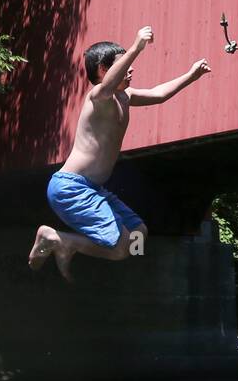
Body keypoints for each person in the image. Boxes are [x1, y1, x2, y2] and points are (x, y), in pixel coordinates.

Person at [28, 26, 210, 280]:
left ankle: (66, 242)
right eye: (123, 64)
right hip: (70, 188)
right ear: (104, 70)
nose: (131, 69)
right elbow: (108, 85)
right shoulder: (98, 97)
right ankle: (61, 240)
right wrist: (135, 48)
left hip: (93, 189)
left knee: (138, 233)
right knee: (119, 247)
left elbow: (159, 94)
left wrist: (190, 76)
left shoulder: (125, 96)